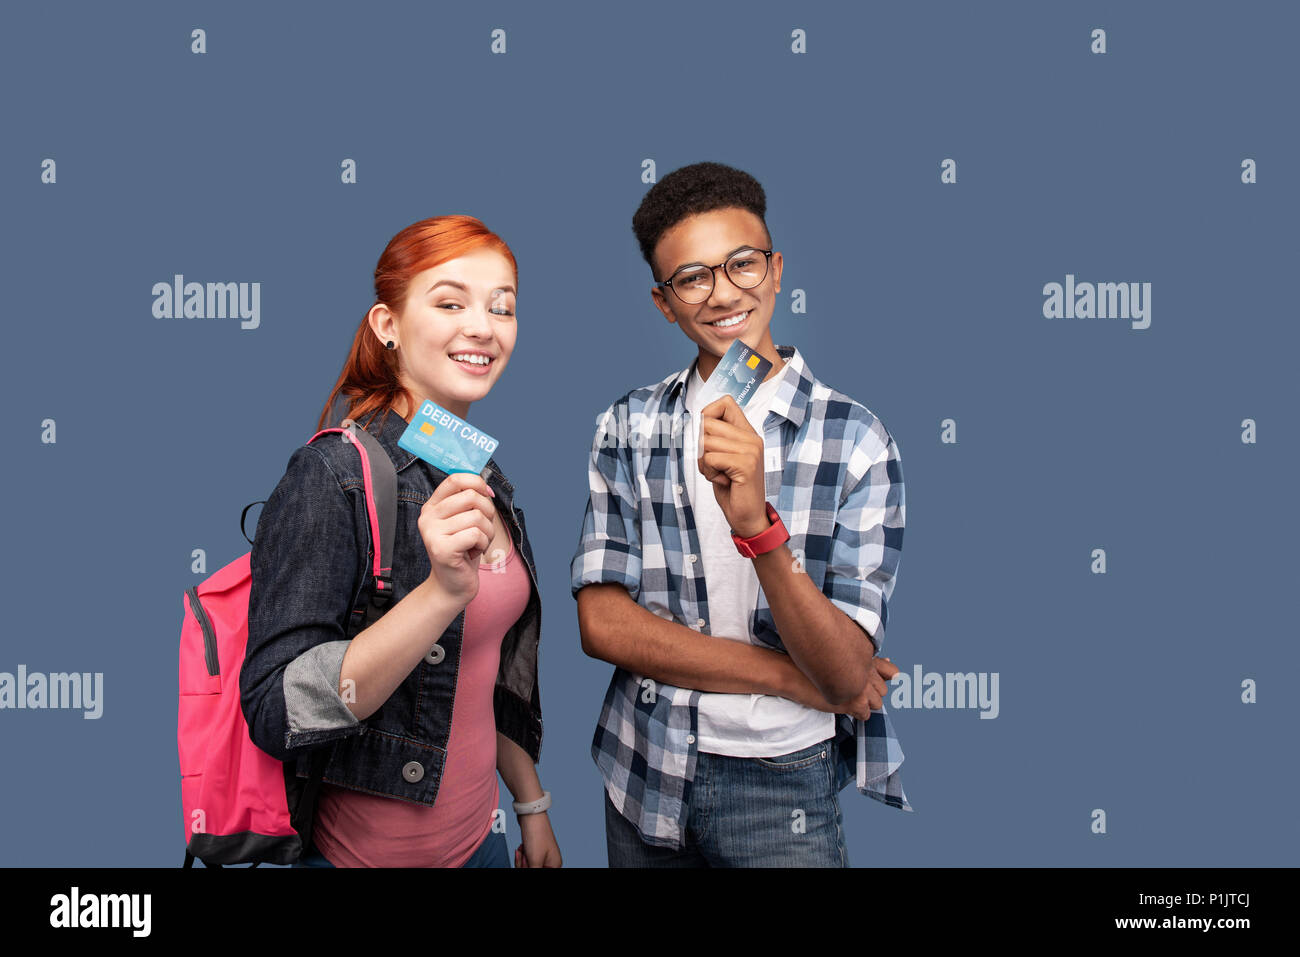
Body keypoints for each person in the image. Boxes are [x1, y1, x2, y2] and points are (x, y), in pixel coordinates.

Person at [571, 162, 911, 867]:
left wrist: (758, 527)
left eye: (742, 263)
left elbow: (848, 679)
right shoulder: (629, 424)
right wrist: (788, 677)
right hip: (642, 767)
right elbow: (602, 623)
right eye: (693, 277)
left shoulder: (856, 440)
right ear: (664, 303)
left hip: (781, 784)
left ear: (777, 269)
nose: (724, 292)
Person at [241, 215, 561, 868]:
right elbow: (277, 712)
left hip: (482, 844)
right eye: (450, 302)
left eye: (503, 306)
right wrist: (441, 594)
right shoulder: (333, 476)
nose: (484, 326)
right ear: (387, 325)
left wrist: (530, 805)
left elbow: (485, 672)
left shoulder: (480, 471)